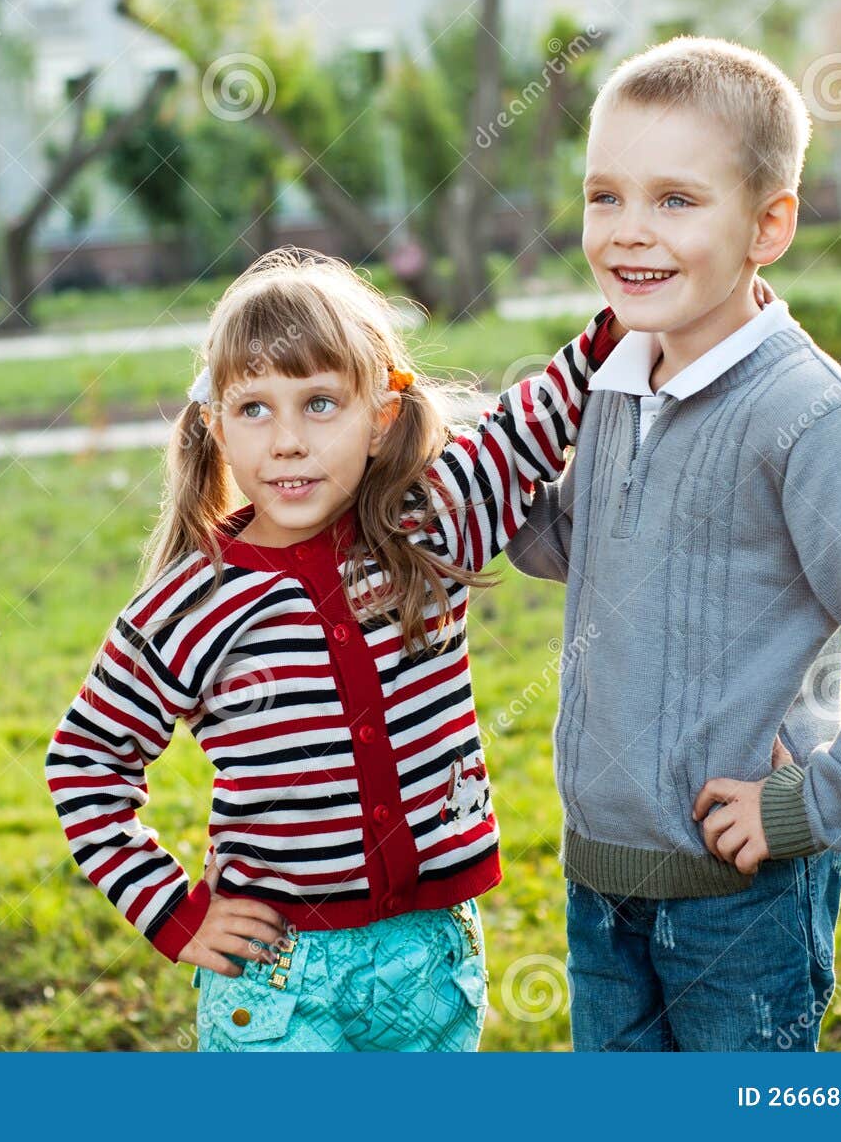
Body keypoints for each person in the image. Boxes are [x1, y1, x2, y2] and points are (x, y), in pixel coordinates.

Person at [506, 36, 841, 1051]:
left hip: (740, 895)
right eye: (605, 197)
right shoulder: (612, 385)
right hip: (601, 878)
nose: (629, 233)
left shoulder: (805, 418)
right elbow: (581, 545)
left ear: (769, 225)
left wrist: (817, 799)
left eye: (676, 201)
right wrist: (471, 473)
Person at [44, 247, 618, 1050]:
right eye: (254, 409)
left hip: (428, 961)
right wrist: (177, 914)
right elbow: (85, 762)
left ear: (381, 417)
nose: (286, 442)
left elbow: (528, 426)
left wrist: (625, 319)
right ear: (215, 425)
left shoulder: (429, 528)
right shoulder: (187, 602)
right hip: (278, 978)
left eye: (320, 404)